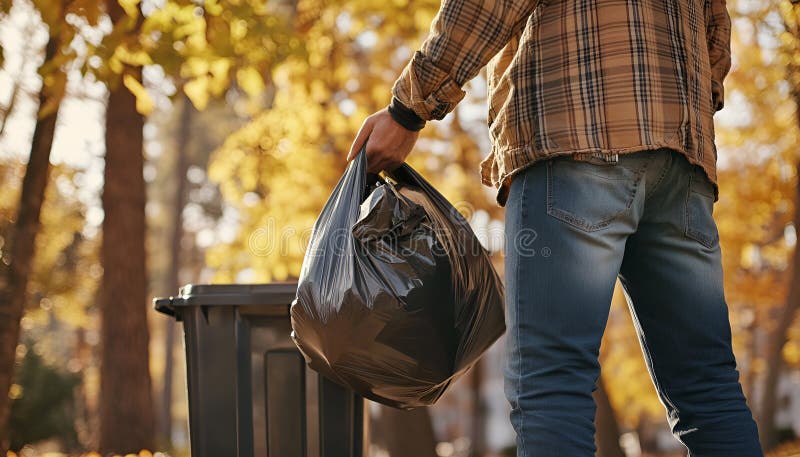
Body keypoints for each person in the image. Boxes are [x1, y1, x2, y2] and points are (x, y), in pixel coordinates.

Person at [347, 0, 764, 455]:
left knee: (553, 382)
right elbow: (715, 36)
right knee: (707, 386)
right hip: (683, 159)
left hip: (574, 139)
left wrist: (408, 110)